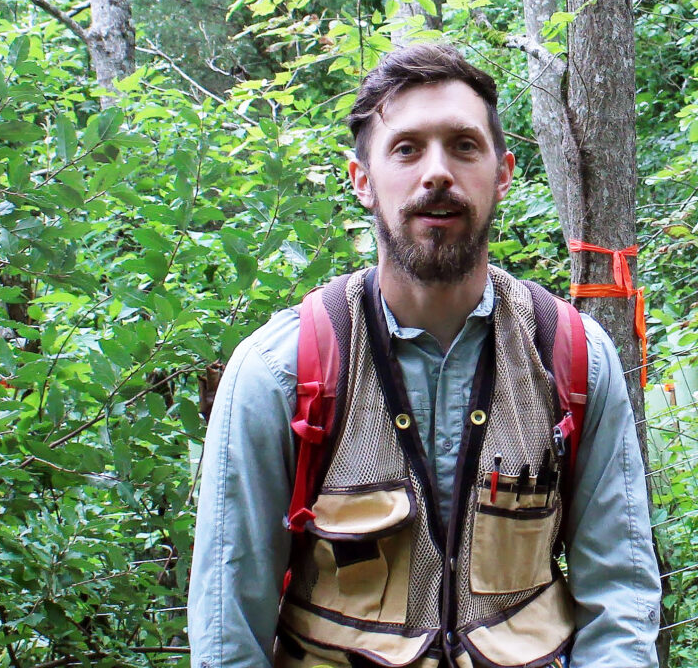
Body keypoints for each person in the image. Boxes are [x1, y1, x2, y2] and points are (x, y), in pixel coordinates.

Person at [188, 43, 660, 668]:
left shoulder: (570, 357)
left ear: (503, 173)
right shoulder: (282, 371)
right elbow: (228, 628)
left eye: (464, 146)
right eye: (406, 149)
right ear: (362, 181)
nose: (437, 172)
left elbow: (620, 594)